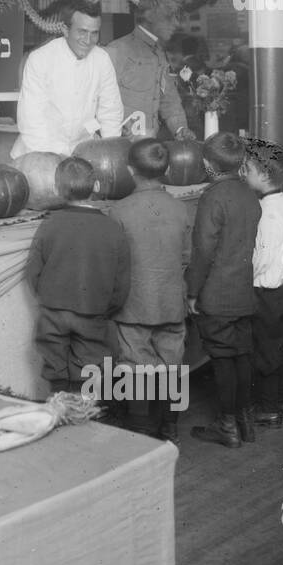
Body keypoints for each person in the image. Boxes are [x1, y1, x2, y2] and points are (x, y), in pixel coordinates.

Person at [25, 157, 131, 395]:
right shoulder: (113, 227)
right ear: (96, 187)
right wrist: (107, 308)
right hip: (93, 312)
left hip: (53, 312)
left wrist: (48, 299)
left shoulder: (49, 224)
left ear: (55, 189)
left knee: (55, 368)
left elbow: (33, 271)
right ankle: (85, 419)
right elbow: (121, 282)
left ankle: (59, 410)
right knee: (90, 369)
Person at [107, 139, 190, 441]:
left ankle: (139, 428)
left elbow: (115, 262)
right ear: (167, 169)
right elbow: (185, 257)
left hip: (134, 304)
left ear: (129, 170)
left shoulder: (119, 211)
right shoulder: (180, 208)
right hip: (171, 301)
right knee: (173, 362)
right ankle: (170, 425)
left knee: (135, 363)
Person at [186, 131, 262, 449]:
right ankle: (244, 419)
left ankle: (227, 425)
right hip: (245, 291)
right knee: (241, 354)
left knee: (221, 358)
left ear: (207, 164)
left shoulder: (212, 197)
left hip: (217, 294)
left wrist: (192, 291)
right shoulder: (250, 193)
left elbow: (203, 251)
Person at [242, 137, 283, 429]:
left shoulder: (266, 212)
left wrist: (247, 276)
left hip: (265, 289)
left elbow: (262, 257)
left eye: (248, 169)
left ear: (264, 175)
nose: (244, 173)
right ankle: (279, 401)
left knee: (264, 349)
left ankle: (267, 408)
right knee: (280, 347)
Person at [12, 0, 124, 158]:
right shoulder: (40, 59)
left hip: (83, 153)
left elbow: (111, 111)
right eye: (82, 32)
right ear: (65, 30)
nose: (88, 40)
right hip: (39, 152)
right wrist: (54, 160)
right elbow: (32, 120)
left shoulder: (102, 59)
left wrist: (110, 154)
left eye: (94, 33)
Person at [107, 4, 195, 142]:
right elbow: (97, 99)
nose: (176, 23)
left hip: (150, 147)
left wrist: (180, 129)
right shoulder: (118, 50)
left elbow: (169, 100)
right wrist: (120, 124)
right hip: (121, 145)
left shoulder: (160, 54)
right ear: (149, 14)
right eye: (169, 16)